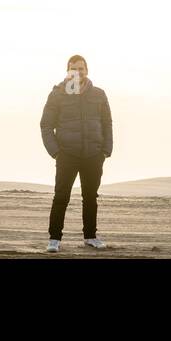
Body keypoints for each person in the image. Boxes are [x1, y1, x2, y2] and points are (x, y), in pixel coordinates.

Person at [39, 54, 112, 252]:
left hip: (93, 154)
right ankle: (54, 239)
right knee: (61, 196)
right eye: (74, 69)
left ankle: (90, 236)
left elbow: (107, 123)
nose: (78, 72)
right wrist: (55, 152)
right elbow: (46, 125)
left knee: (90, 197)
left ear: (86, 70)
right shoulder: (58, 95)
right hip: (67, 155)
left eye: (81, 68)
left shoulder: (98, 94)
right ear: (68, 71)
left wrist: (105, 150)